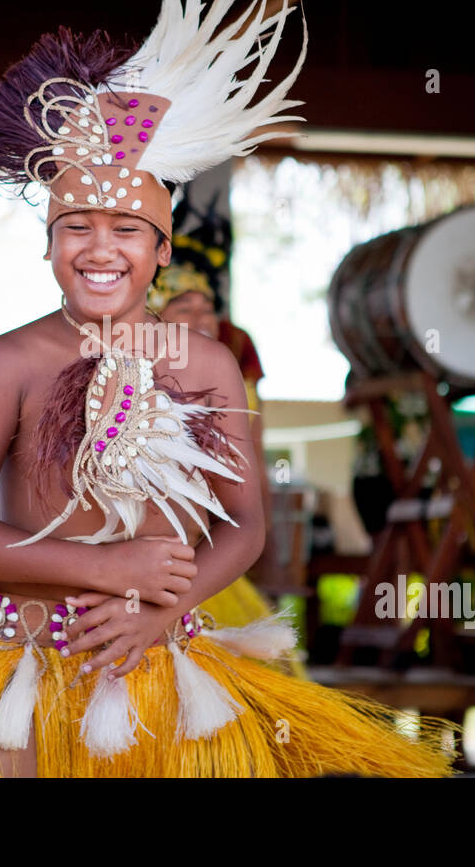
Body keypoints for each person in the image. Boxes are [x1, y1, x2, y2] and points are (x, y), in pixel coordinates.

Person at [0, 0, 460, 777]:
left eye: (125, 229)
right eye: (76, 226)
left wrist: (153, 602)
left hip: (165, 671)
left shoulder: (211, 365)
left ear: (162, 249)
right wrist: (110, 568)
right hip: (26, 682)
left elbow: (247, 525)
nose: (100, 248)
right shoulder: (5, 364)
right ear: (47, 241)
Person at [148, 253, 308, 679]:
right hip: (162, 550)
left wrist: (264, 525)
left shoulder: (226, 371)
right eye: (185, 308)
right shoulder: (135, 372)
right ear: (158, 316)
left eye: (208, 309)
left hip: (220, 542)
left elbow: (252, 454)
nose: (201, 317)